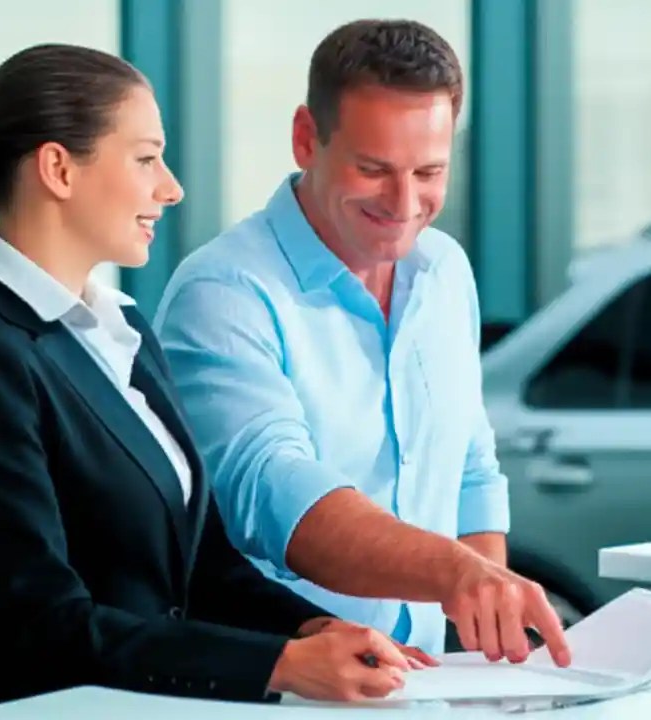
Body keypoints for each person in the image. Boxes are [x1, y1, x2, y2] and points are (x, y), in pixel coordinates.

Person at [0, 43, 432, 720]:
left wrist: (313, 629)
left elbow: (203, 569)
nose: (170, 187)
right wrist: (278, 667)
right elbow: (42, 621)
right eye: (146, 157)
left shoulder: (120, 331)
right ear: (59, 168)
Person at [154, 18, 572, 666]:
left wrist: (488, 633)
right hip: (281, 691)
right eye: (374, 169)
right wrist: (456, 574)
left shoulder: (446, 270)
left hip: (431, 688)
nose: (405, 203)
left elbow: (471, 471)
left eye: (429, 171)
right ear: (305, 139)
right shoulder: (224, 291)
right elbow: (280, 498)